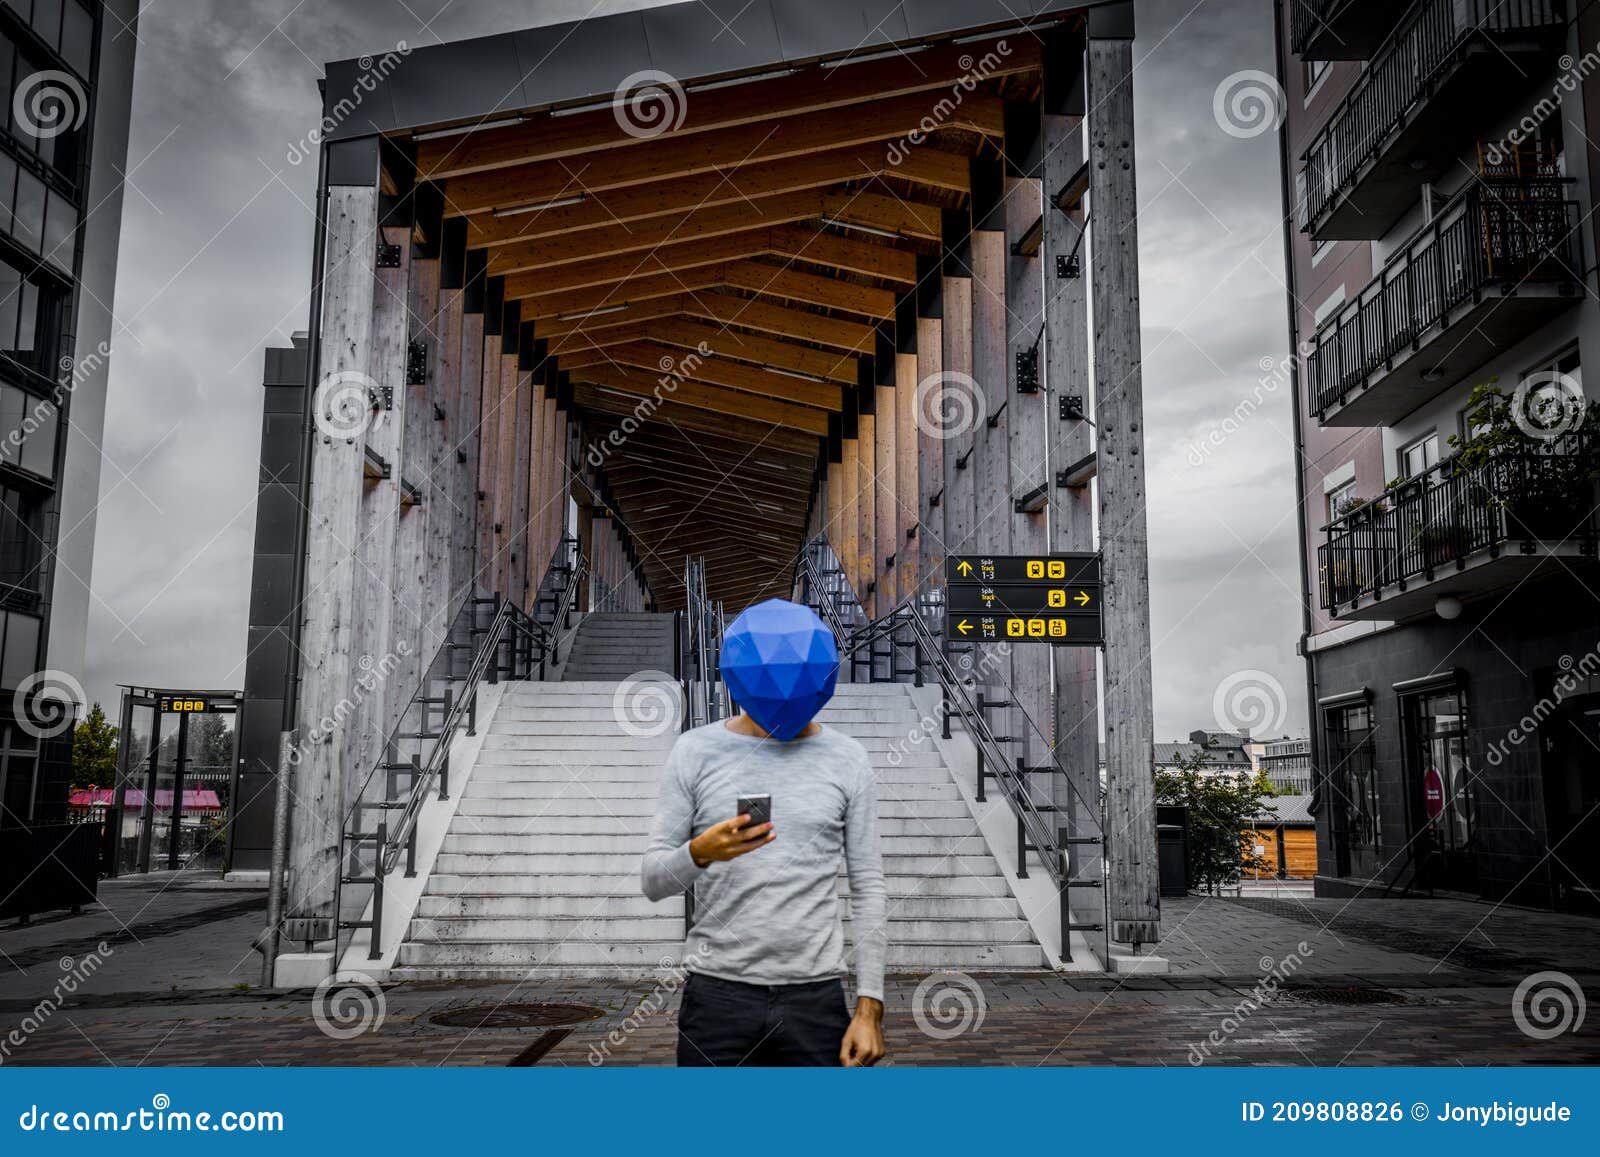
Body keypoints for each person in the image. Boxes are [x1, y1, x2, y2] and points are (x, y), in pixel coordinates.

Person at [640, 601, 886, 1067]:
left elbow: (869, 886)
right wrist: (699, 852)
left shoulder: (848, 758)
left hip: (816, 998)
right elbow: (653, 881)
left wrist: (870, 1006)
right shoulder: (694, 752)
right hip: (717, 997)